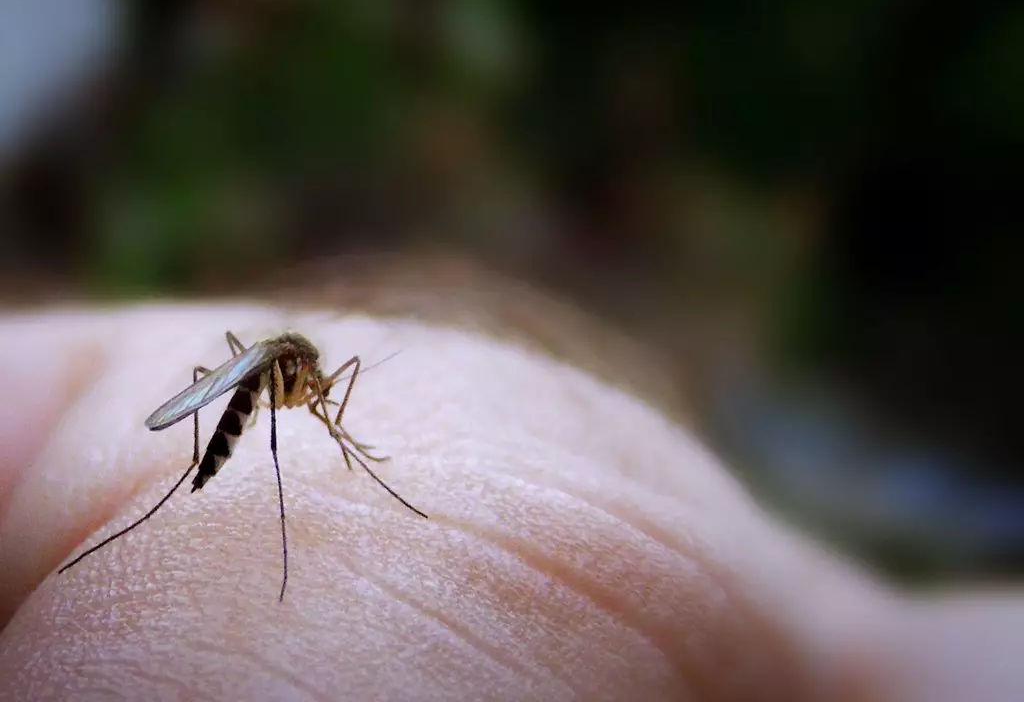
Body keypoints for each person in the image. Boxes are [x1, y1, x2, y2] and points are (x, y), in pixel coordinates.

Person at [0, 296, 1020, 700]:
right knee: (249, 444)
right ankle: (168, 506)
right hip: (232, 410)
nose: (315, 390)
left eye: (311, 388)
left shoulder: (305, 366)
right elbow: (259, 381)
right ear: (297, 370)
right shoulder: (281, 369)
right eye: (310, 384)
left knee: (266, 417)